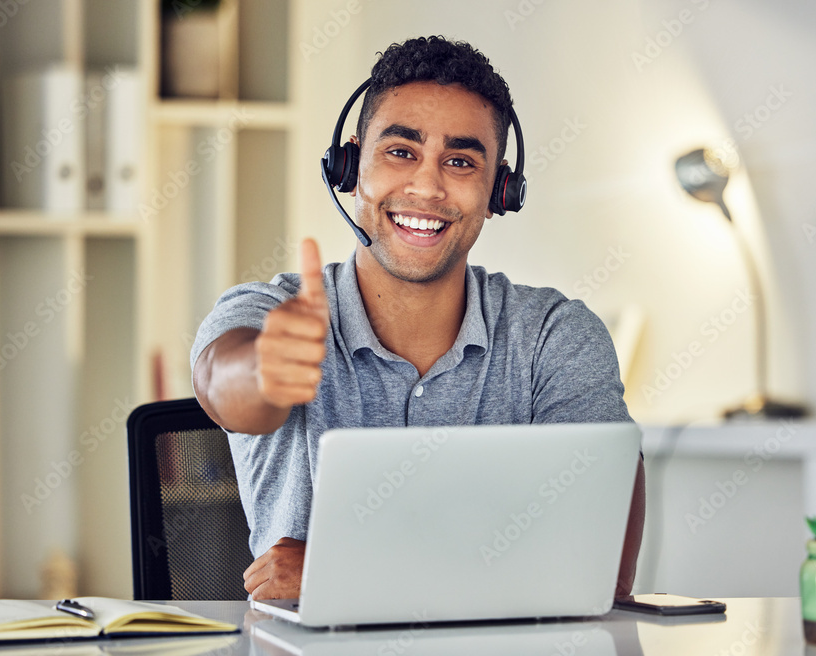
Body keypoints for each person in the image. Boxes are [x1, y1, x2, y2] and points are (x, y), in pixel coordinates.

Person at [191, 35, 645, 601]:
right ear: (351, 165)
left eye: (460, 161)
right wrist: (262, 371)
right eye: (401, 152)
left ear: (499, 189)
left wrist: (349, 571)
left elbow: (601, 572)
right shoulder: (269, 312)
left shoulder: (555, 337)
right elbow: (220, 383)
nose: (426, 186)